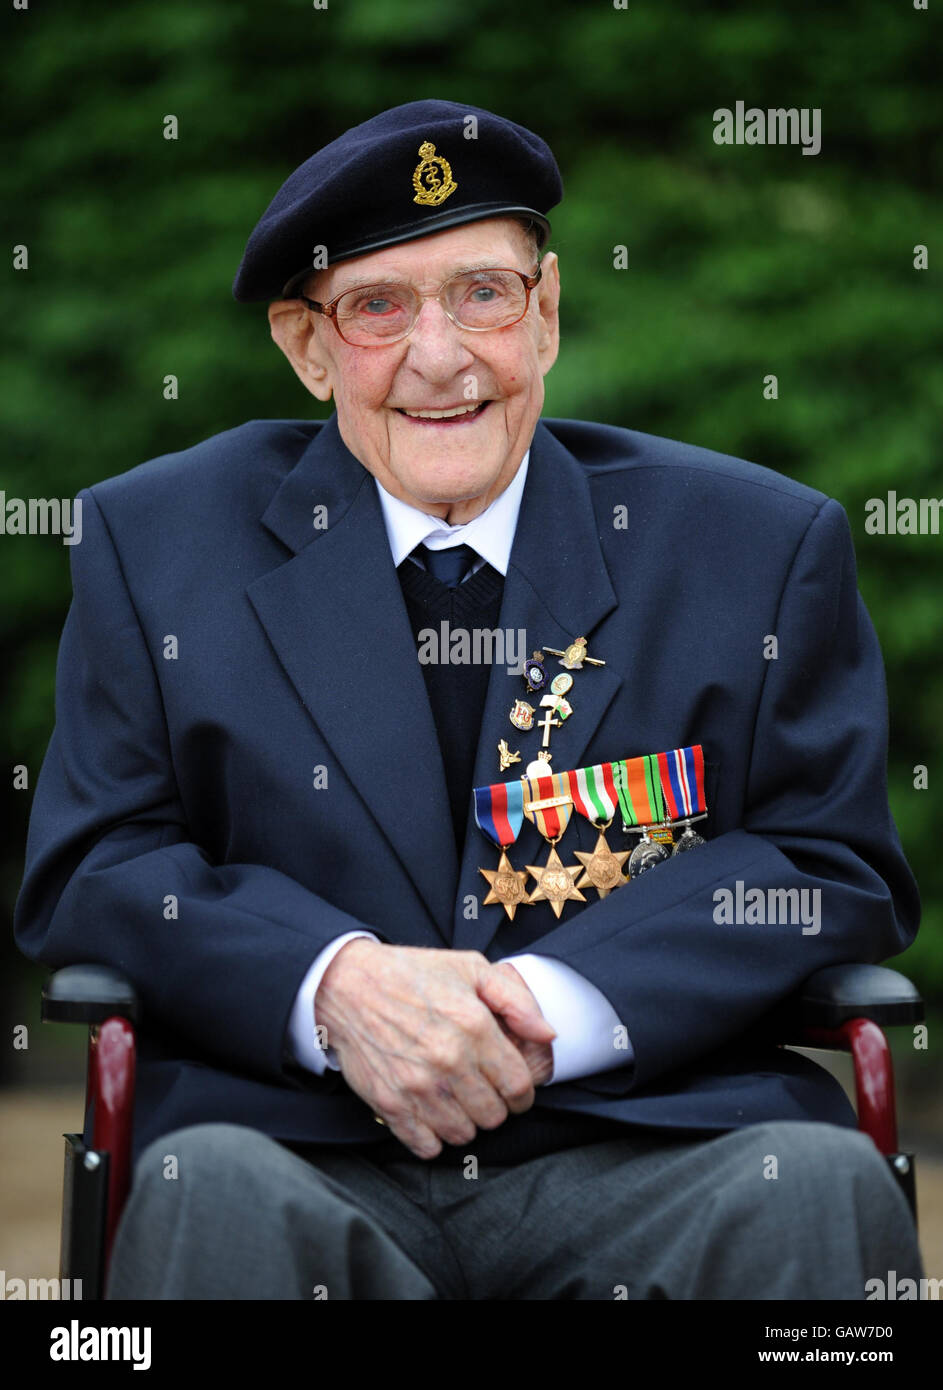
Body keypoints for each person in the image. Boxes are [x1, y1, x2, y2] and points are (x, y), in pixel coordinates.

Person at [15, 99, 924, 1300]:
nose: (439, 357)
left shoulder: (752, 546)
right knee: (209, 1199)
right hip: (292, 1141)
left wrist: (545, 1005)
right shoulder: (157, 542)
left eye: (482, 294)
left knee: (818, 1189)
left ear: (545, 312)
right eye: (378, 307)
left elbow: (825, 862)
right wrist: (334, 985)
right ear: (308, 346)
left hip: (651, 1141)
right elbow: (95, 863)